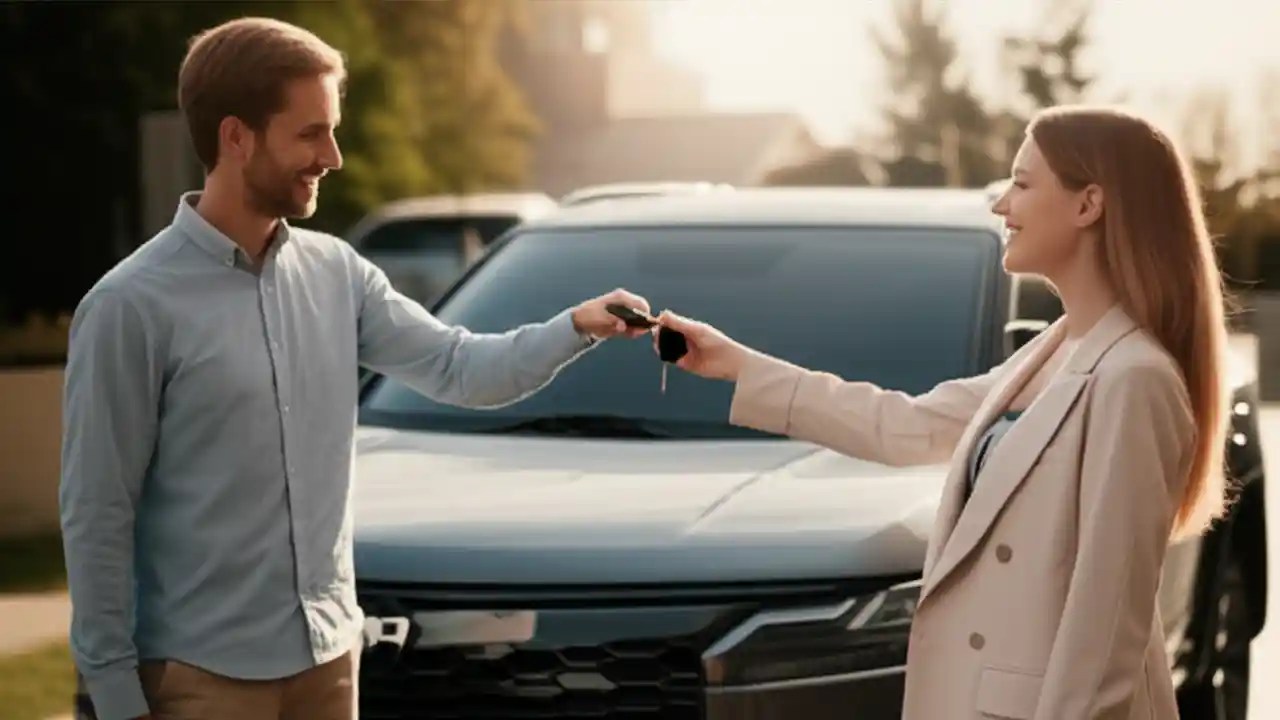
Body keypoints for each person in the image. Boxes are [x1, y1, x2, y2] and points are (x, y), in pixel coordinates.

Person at [59, 17, 650, 720]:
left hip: (330, 665)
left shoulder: (338, 273)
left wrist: (575, 327)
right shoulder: (129, 307)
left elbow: (463, 369)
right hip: (200, 679)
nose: (333, 156)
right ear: (235, 136)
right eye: (311, 133)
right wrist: (117, 700)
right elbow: (97, 513)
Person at [655, 105, 1229, 719]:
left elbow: (1107, 625)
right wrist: (737, 365)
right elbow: (904, 425)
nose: (1000, 203)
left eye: (1023, 183)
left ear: (1089, 205)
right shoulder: (1055, 351)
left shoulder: (1133, 377)